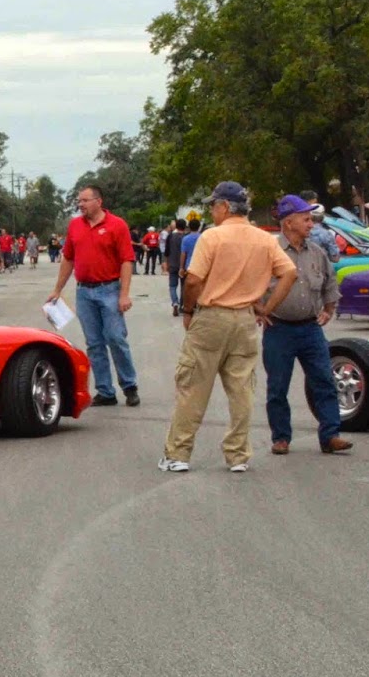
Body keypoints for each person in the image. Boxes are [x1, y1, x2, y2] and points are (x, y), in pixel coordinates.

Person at [161, 181, 297, 472]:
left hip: (213, 316)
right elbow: (289, 272)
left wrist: (188, 310)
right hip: (245, 319)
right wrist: (266, 307)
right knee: (241, 390)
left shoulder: (213, 236)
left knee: (193, 386)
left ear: (224, 206)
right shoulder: (264, 239)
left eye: (214, 205)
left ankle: (178, 454)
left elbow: (194, 280)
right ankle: (237, 456)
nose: (212, 211)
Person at [262, 195, 353, 456]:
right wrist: (258, 308)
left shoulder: (317, 252)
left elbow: (330, 282)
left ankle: (330, 436)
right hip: (278, 329)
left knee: (324, 381)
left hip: (311, 329)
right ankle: (281, 438)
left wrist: (329, 309)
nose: (311, 224)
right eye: (306, 219)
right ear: (288, 222)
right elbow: (251, 282)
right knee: (278, 387)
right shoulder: (270, 252)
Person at [47, 184, 139, 407]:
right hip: (84, 293)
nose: (81, 205)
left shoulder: (117, 225)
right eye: (79, 201)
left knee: (116, 338)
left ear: (99, 201)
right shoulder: (75, 225)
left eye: (85, 200)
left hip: (110, 290)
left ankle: (129, 386)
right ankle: (105, 391)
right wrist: (57, 289)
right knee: (94, 343)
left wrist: (124, 294)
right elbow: (68, 258)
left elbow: (126, 260)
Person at [301, 192, 341, 262]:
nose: (315, 203)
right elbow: (335, 258)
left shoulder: (298, 231)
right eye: (314, 202)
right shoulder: (325, 234)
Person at [164, 218, 187, 317]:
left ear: (176, 226)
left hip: (172, 264)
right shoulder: (186, 237)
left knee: (172, 286)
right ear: (185, 227)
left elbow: (167, 251)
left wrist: (166, 263)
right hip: (184, 266)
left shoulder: (170, 236)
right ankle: (182, 305)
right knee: (184, 286)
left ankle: (175, 303)